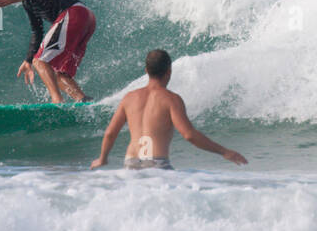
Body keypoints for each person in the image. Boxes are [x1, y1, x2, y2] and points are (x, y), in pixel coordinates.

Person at [91, 49, 248, 170]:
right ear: (169, 71)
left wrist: (102, 158)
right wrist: (224, 151)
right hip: (156, 165)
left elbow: (110, 133)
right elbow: (189, 135)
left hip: (130, 163)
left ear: (146, 70)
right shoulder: (171, 99)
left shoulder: (129, 98)